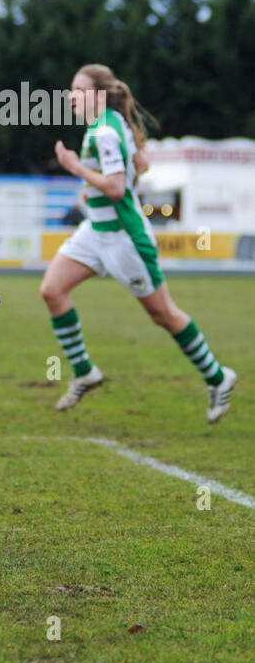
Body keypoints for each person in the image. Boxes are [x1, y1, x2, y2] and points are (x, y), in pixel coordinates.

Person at [41, 63, 236, 422]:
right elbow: (141, 165)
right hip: (95, 232)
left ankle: (218, 377)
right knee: (52, 290)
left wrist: (75, 167)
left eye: (78, 90)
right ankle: (85, 371)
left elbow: (116, 188)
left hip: (125, 239)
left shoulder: (105, 132)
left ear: (97, 95)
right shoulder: (110, 123)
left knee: (163, 314)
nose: (71, 96)